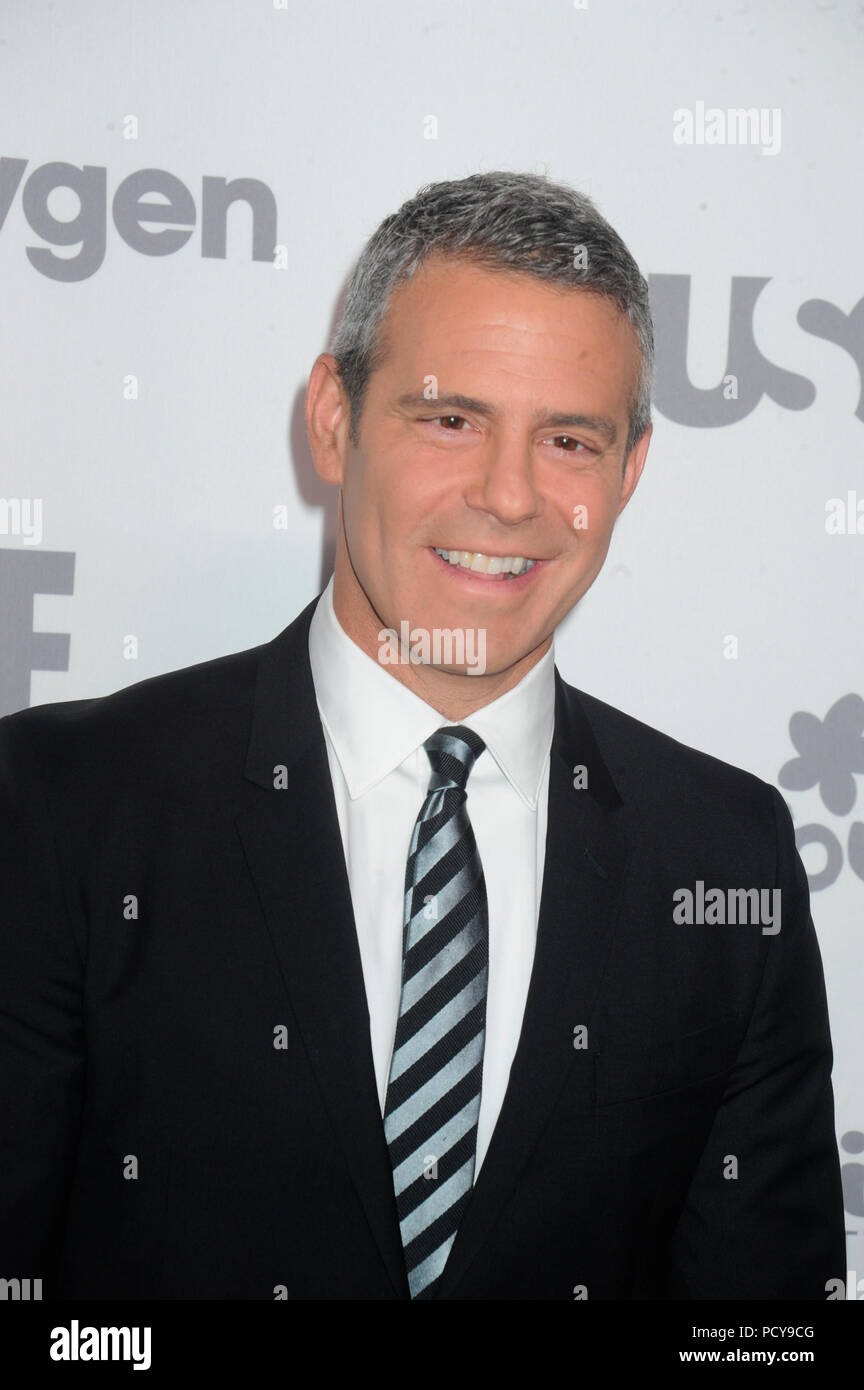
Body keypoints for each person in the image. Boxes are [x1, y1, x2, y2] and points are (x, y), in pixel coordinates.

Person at [0, 170, 846, 1300]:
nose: (508, 496)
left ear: (631, 470)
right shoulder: (60, 806)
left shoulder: (727, 855)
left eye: (570, 441)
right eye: (451, 420)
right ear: (334, 420)